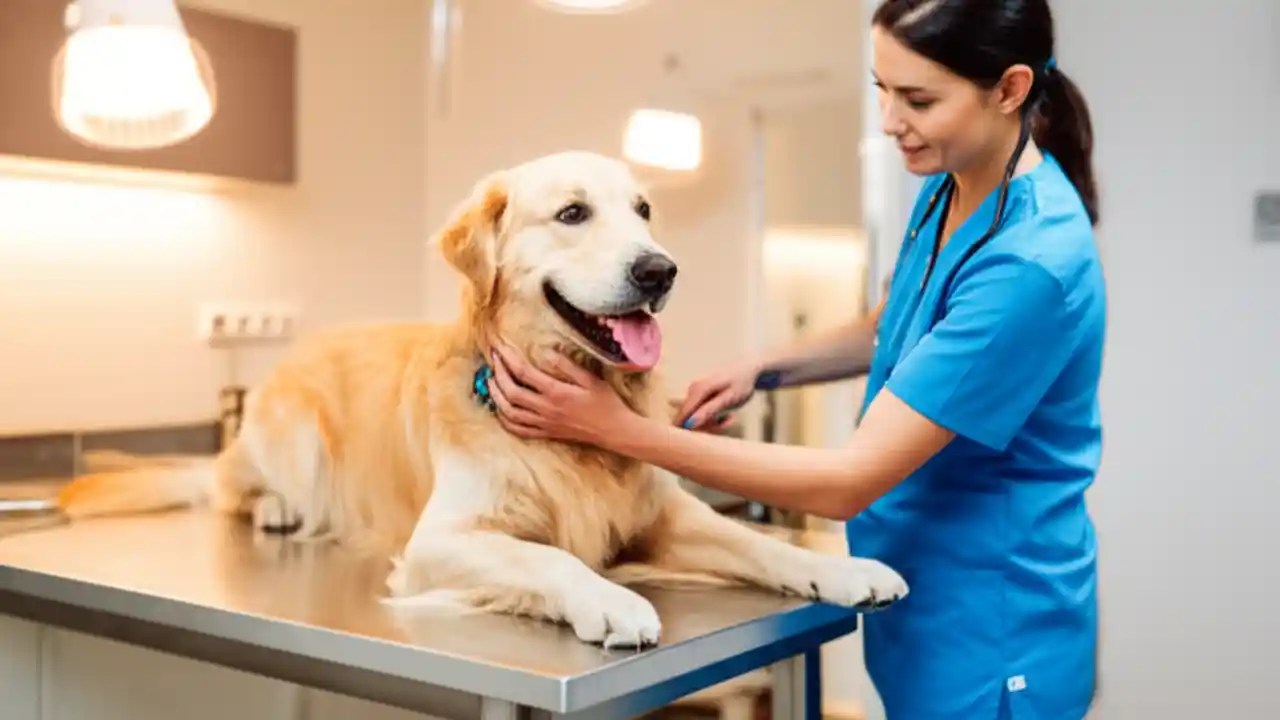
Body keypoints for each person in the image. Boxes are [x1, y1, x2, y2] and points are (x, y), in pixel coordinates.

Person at [485, 0, 1106, 716]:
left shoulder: (1032, 264)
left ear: (1009, 89)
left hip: (994, 629)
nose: (888, 119)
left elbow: (849, 481)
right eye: (881, 87)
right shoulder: (956, 182)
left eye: (918, 99)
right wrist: (764, 367)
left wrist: (617, 429)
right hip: (925, 606)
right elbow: (896, 321)